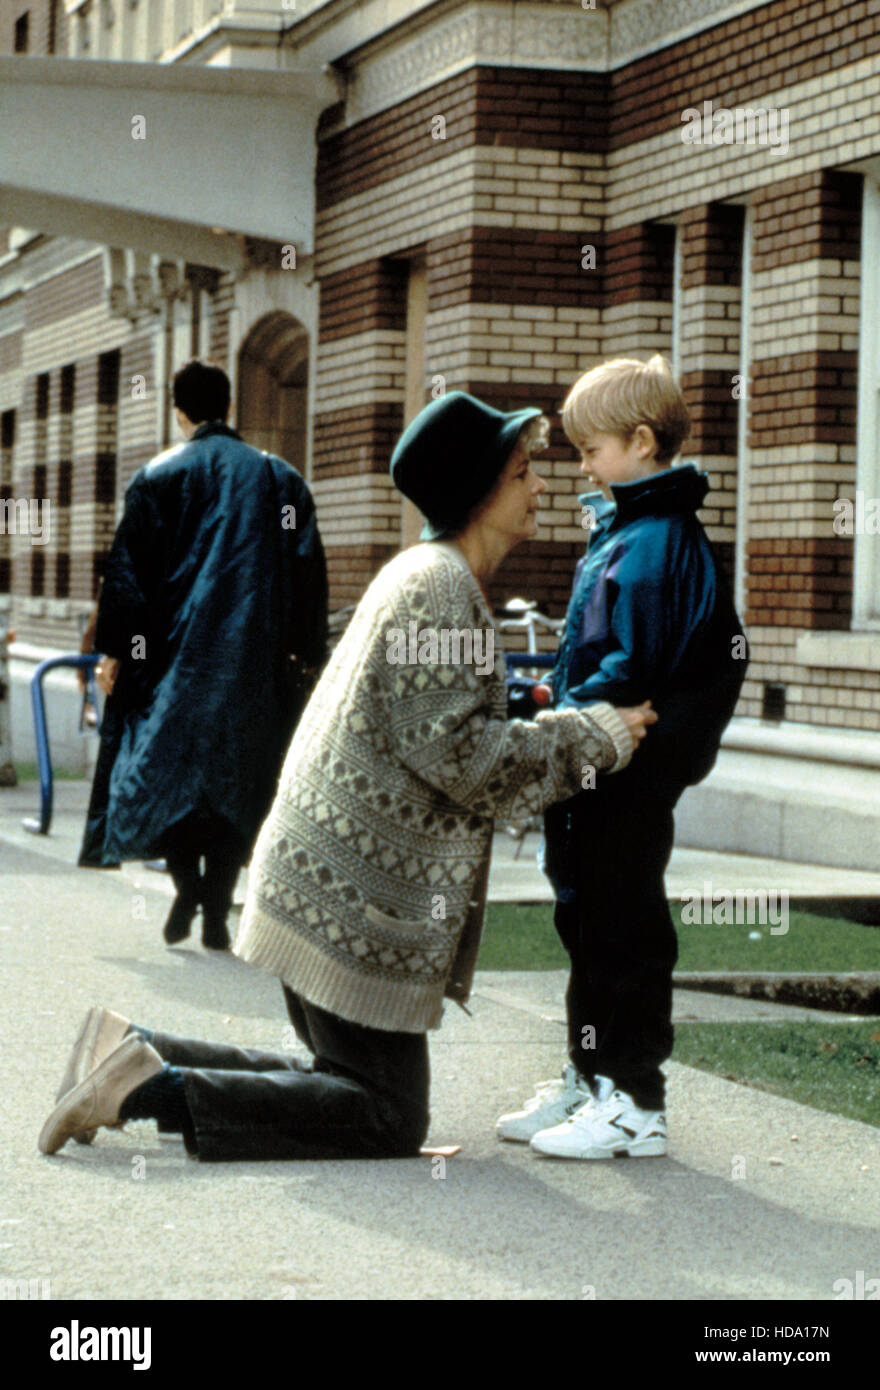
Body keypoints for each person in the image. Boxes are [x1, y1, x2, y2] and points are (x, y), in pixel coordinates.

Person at [39, 391, 656, 1161]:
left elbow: (438, 725)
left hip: (332, 892)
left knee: (342, 1083)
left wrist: (530, 707)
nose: (541, 488)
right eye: (523, 472)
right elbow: (466, 760)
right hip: (350, 910)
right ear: (477, 490)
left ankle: (127, 1047)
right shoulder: (440, 589)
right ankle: (137, 1089)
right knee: (385, 1115)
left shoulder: (430, 577)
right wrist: (592, 736)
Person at [496, 355, 747, 1160]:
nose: (581, 465)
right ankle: (591, 1074)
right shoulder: (632, 531)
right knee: (586, 918)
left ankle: (635, 1102)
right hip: (601, 758)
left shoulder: (654, 541)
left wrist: (565, 713)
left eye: (591, 449)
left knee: (623, 926)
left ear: (641, 442)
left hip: (626, 764)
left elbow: (631, 663)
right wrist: (558, 710)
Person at [77, 359, 328, 952]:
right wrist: (306, 655)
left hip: (172, 667)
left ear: (178, 410)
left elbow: (128, 574)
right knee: (243, 785)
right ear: (231, 406)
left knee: (172, 780)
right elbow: (306, 569)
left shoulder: (158, 477)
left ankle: (187, 889)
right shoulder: (280, 481)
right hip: (253, 666)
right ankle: (216, 908)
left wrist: (117, 652)